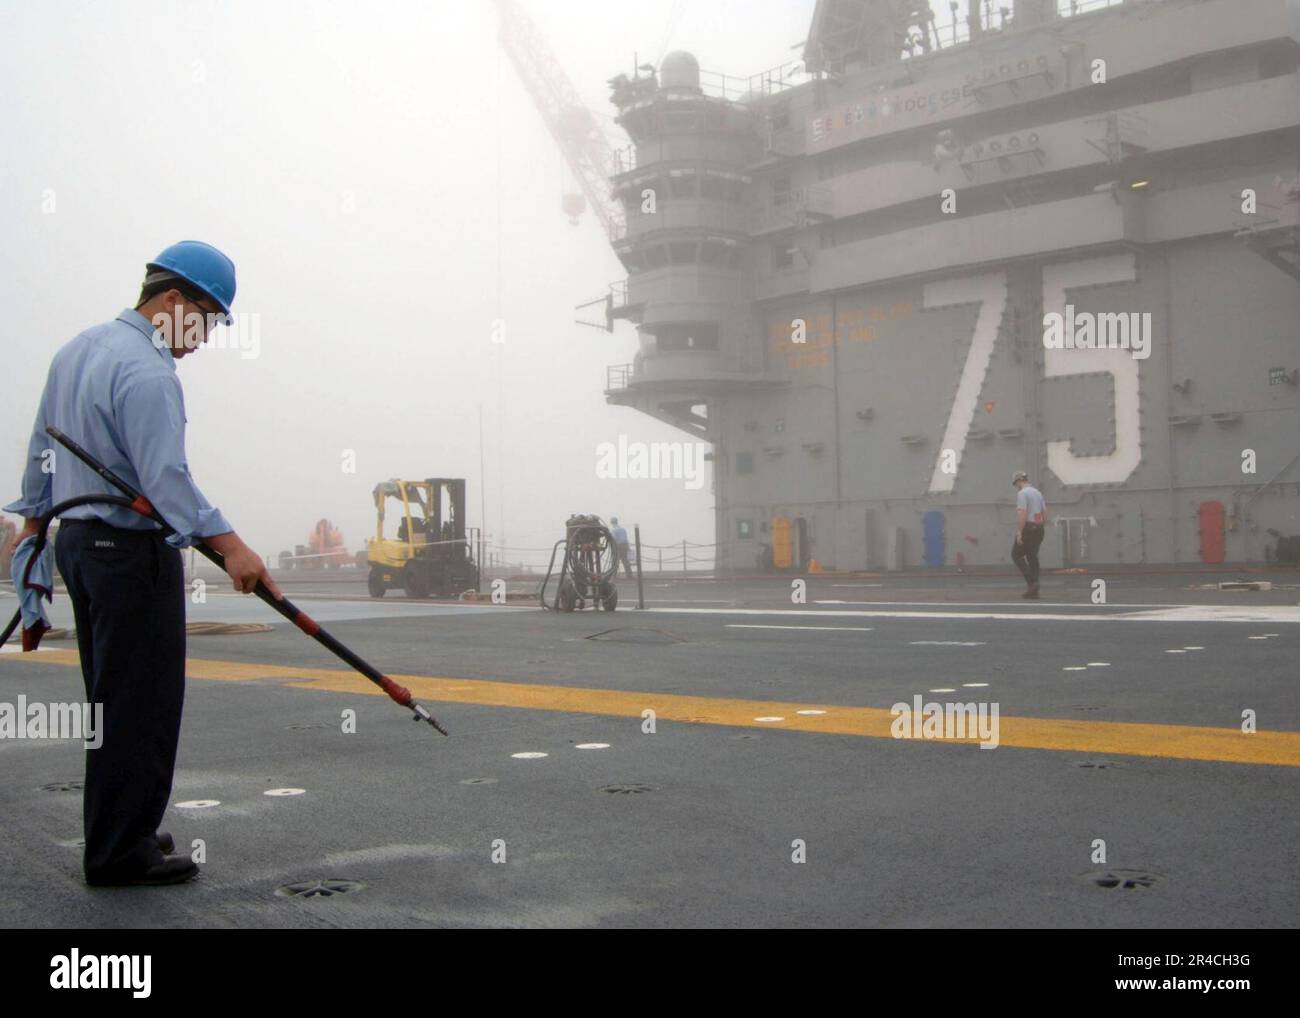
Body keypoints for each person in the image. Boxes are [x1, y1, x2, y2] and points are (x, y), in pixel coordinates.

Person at [3, 240, 282, 886]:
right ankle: (119, 851)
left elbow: (39, 468)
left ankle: (122, 823)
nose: (205, 338)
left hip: (79, 548)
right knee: (143, 706)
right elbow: (167, 480)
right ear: (175, 300)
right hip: (130, 556)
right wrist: (233, 547)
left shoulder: (75, 351)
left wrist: (33, 572)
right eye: (207, 321)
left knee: (111, 701)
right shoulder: (151, 374)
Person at [1011, 469, 1047, 599]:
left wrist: (1020, 532)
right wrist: (1039, 527)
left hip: (1028, 527)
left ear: (1019, 481)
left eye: (1015, 484)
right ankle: (1034, 590)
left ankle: (1031, 583)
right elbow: (1044, 515)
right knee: (1032, 556)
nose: (1016, 486)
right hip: (1039, 528)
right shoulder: (1038, 493)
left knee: (1016, 554)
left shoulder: (1022, 494)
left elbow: (1022, 514)